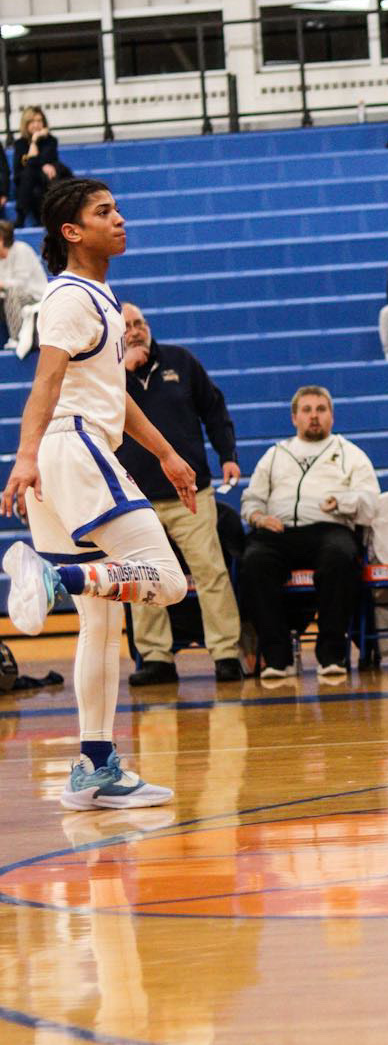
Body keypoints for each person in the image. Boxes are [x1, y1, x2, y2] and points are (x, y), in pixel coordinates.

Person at [0, 177, 198, 810]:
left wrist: (166, 453)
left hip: (66, 451)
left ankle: (95, 764)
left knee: (103, 620)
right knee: (169, 580)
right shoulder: (68, 298)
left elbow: (111, 395)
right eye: (104, 212)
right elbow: (46, 382)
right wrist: (25, 456)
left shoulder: (101, 297)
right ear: (72, 232)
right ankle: (54, 578)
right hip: (72, 448)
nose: (120, 219)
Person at [116, 301, 244, 687]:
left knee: (211, 573)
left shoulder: (181, 361)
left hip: (191, 493)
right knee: (145, 579)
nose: (136, 330)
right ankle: (155, 657)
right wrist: (119, 372)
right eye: (127, 326)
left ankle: (226, 653)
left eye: (140, 323)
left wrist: (228, 455)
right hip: (136, 498)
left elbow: (214, 409)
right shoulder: (106, 376)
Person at [238, 386, 380, 682]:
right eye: (307, 410)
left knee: (341, 557)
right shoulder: (275, 454)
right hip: (279, 531)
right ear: (294, 418)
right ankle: (276, 658)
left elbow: (370, 501)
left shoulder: (350, 453)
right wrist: (259, 517)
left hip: (329, 529)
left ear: (332, 416)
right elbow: (251, 499)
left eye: (320, 409)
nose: (314, 416)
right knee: (254, 560)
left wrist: (341, 502)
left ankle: (332, 654)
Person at [12, 106, 65, 229]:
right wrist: (34, 141)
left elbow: (46, 161)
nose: (36, 125)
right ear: (25, 124)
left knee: (43, 174)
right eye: (32, 121)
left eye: (39, 121)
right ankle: (36, 218)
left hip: (46, 182)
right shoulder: (19, 144)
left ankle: (21, 217)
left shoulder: (50, 140)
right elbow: (19, 171)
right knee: (29, 174)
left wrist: (37, 161)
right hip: (26, 184)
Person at [0, 217, 47, 356]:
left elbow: (20, 284)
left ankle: (16, 338)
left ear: (1, 239)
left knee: (12, 292)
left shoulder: (21, 250)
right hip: (9, 300)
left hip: (35, 296)